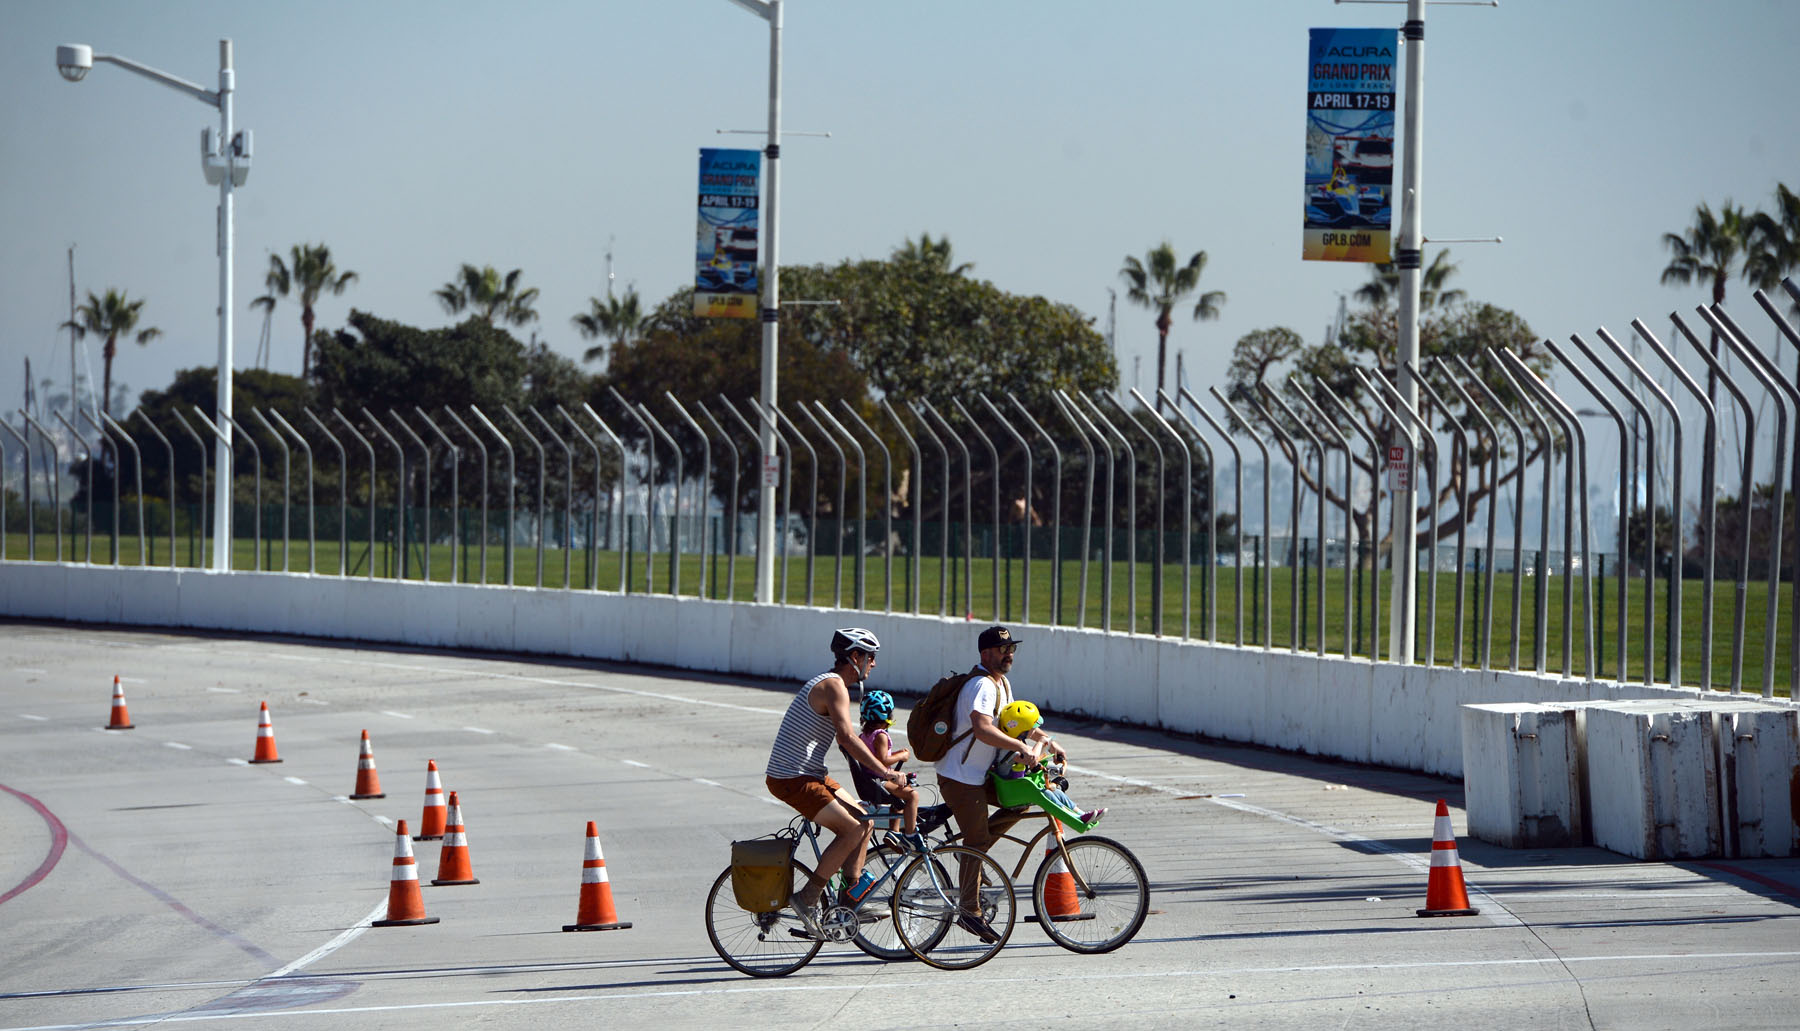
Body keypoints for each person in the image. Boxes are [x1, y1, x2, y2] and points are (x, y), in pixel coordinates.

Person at [765, 628, 907, 936]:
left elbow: (848, 745)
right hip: (792, 777)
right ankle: (807, 897)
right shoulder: (834, 686)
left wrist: (871, 775)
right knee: (852, 828)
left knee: (865, 819)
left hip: (808, 772)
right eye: (871, 657)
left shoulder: (832, 684)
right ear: (855, 657)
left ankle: (849, 900)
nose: (873, 664)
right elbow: (847, 737)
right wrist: (884, 772)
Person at [933, 625, 1068, 943]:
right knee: (977, 841)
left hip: (982, 775)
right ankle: (969, 911)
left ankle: (970, 854)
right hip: (960, 777)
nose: (1008, 654)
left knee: (1021, 799)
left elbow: (1014, 722)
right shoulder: (981, 685)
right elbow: (982, 729)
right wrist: (1020, 748)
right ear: (985, 654)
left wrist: (1045, 739)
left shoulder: (1001, 683)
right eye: (1002, 649)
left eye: (1011, 649)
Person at [995, 699, 1105, 827]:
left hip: (1022, 786)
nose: (1035, 730)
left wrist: (1050, 750)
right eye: (1033, 728)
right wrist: (1041, 742)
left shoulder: (1017, 743)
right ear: (1022, 730)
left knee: (1056, 791)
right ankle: (1075, 817)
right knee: (1047, 795)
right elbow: (1032, 759)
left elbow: (1035, 759)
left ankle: (1082, 814)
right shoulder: (1009, 748)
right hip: (1012, 791)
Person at [855, 690, 926, 848]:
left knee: (900, 794)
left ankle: (893, 833)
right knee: (912, 796)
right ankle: (910, 834)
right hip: (879, 781)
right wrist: (901, 757)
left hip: (870, 779)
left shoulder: (865, 735)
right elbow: (883, 760)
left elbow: (876, 756)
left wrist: (897, 753)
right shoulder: (880, 735)